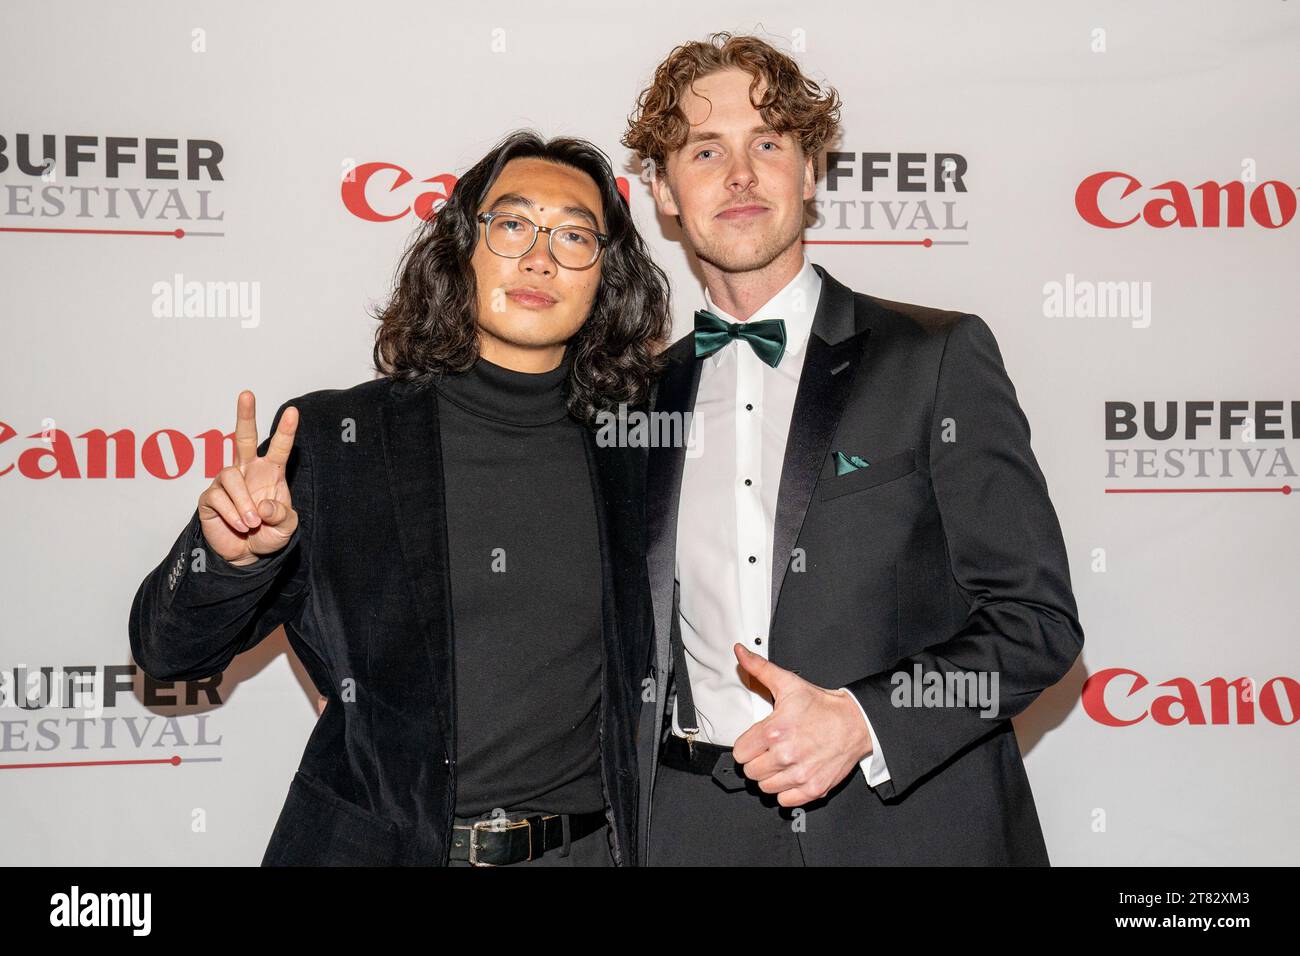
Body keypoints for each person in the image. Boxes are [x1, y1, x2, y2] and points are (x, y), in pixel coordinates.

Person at [128, 130, 670, 866]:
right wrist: (227, 562)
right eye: (512, 225)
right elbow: (168, 656)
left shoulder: (638, 452)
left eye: (575, 236)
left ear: (605, 275)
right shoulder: (332, 440)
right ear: (460, 247)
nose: (540, 257)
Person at [622, 32, 1084, 865]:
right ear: (662, 191)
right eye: (703, 150)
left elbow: (1036, 621)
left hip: (905, 829)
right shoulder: (631, 401)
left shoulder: (936, 357)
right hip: (693, 833)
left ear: (809, 173)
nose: (739, 174)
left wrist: (864, 719)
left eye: (767, 142)